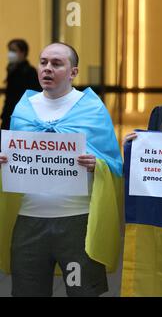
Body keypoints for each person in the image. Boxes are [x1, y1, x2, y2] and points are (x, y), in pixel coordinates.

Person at [0, 43, 123, 297]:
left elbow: (113, 163)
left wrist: (96, 165)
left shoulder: (92, 109)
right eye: (43, 62)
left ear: (73, 72)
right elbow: (14, 158)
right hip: (28, 218)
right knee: (27, 291)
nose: (47, 68)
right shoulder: (23, 109)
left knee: (82, 292)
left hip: (77, 220)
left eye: (56, 64)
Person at [1, 39, 41, 130]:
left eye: (14, 50)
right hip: (8, 114)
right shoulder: (11, 68)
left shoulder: (29, 71)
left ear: (23, 52)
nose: (10, 54)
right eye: (10, 50)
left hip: (21, 116)